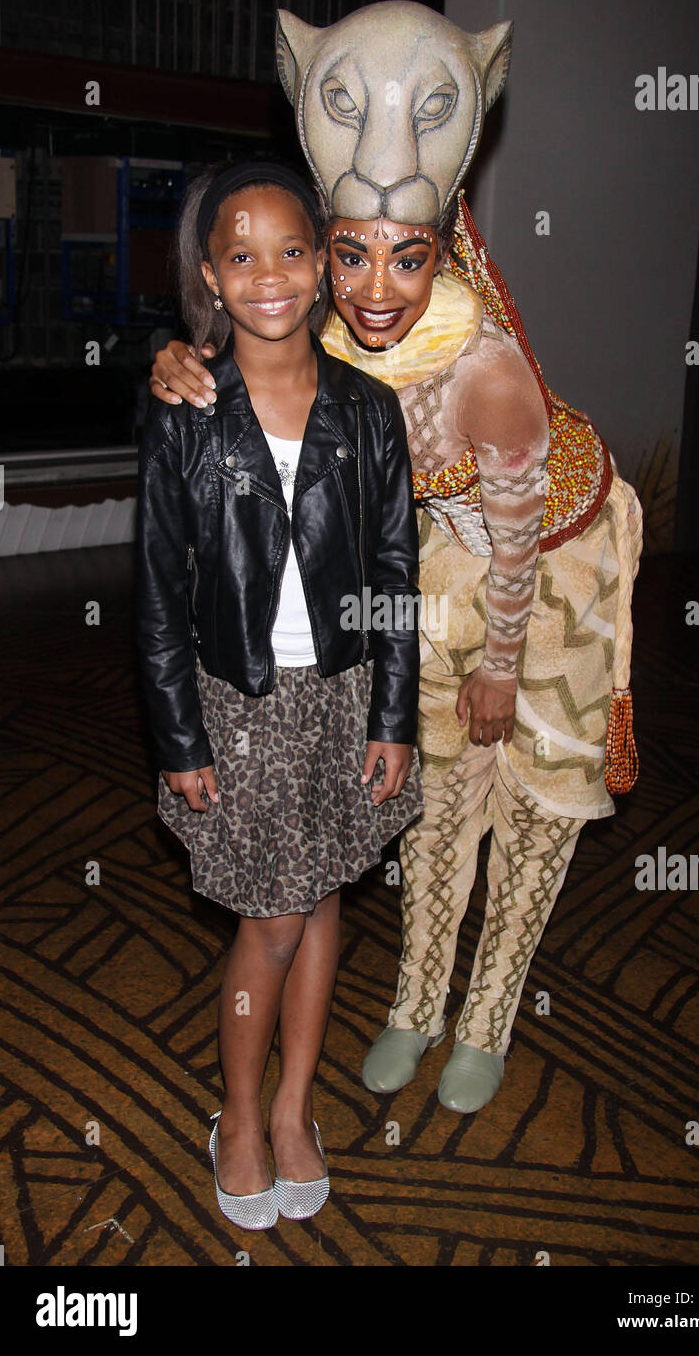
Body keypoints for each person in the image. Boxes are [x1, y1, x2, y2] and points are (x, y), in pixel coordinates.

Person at [148, 1, 643, 1116]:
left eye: (406, 257)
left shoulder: (485, 369)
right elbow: (243, 330)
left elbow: (514, 530)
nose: (375, 289)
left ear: (438, 247)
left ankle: (487, 1013)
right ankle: (416, 998)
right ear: (327, 253)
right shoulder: (316, 316)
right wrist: (179, 359)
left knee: (524, 803)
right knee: (423, 796)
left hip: (547, 576)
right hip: (418, 572)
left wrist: (504, 663)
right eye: (354, 256)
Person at [136, 159, 423, 1229]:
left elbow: (396, 573)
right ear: (211, 274)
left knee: (326, 894)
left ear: (324, 266)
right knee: (272, 917)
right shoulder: (186, 410)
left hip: (347, 695)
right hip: (238, 703)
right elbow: (160, 592)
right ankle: (242, 1116)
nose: (268, 273)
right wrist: (178, 735)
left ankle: (299, 1106)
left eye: (292, 249)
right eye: (240, 253)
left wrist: (395, 713)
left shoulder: (369, 410)